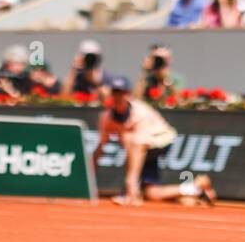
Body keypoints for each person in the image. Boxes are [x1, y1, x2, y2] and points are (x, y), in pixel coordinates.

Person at [92, 76, 215, 207]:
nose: (118, 97)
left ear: (128, 95)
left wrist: (131, 184)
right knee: (151, 193)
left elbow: (138, 147)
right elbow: (100, 148)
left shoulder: (140, 113)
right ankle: (194, 189)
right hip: (142, 148)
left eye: (121, 93)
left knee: (131, 140)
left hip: (162, 141)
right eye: (115, 92)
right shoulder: (106, 117)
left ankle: (130, 192)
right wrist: (87, 181)